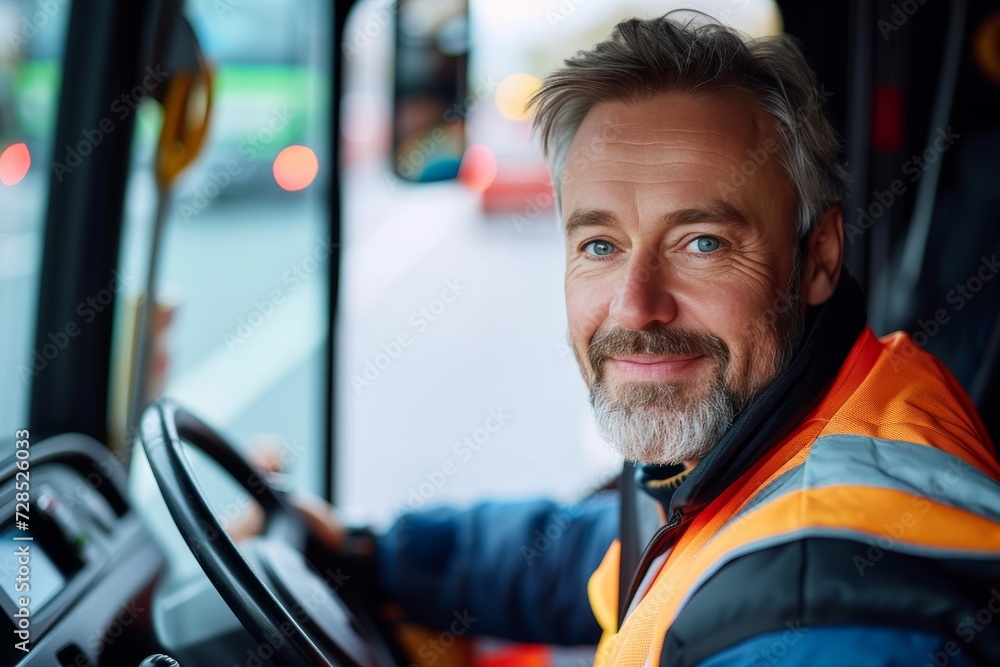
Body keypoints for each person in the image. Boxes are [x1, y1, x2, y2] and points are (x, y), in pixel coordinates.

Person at [299, 16, 1000, 666]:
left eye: (701, 242)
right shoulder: (760, 448)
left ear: (818, 257)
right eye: (601, 244)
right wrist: (373, 554)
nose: (636, 305)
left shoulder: (822, 616)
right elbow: (597, 556)